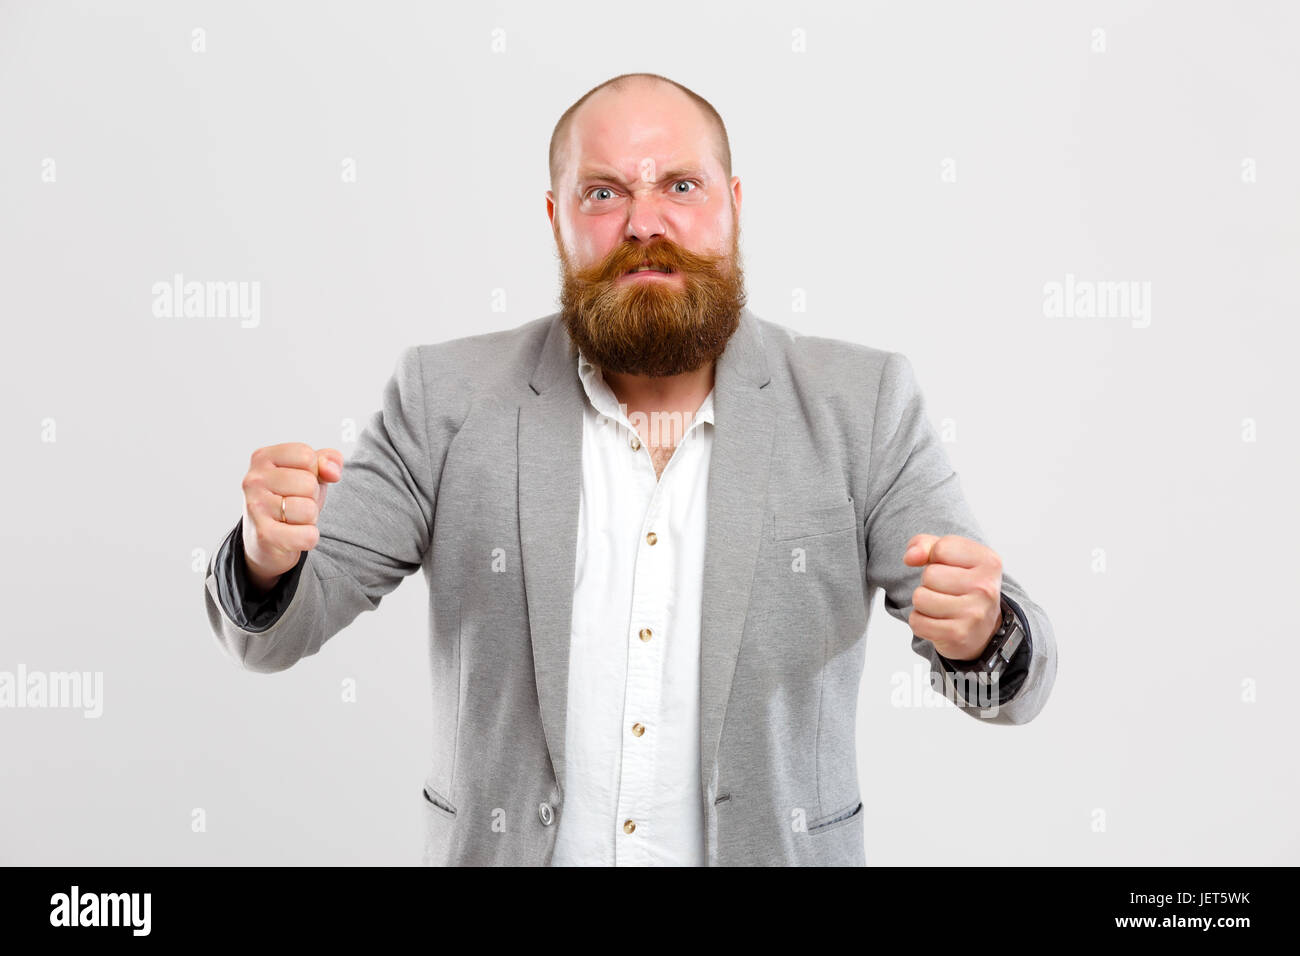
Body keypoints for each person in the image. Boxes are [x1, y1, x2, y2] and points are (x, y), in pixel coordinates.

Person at [203, 72, 1057, 866]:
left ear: (733, 204)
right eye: (604, 193)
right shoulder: (445, 396)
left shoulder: (861, 400)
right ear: (555, 218)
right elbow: (277, 633)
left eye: (680, 186)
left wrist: (984, 633)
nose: (645, 223)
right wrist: (266, 558)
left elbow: (1012, 685)